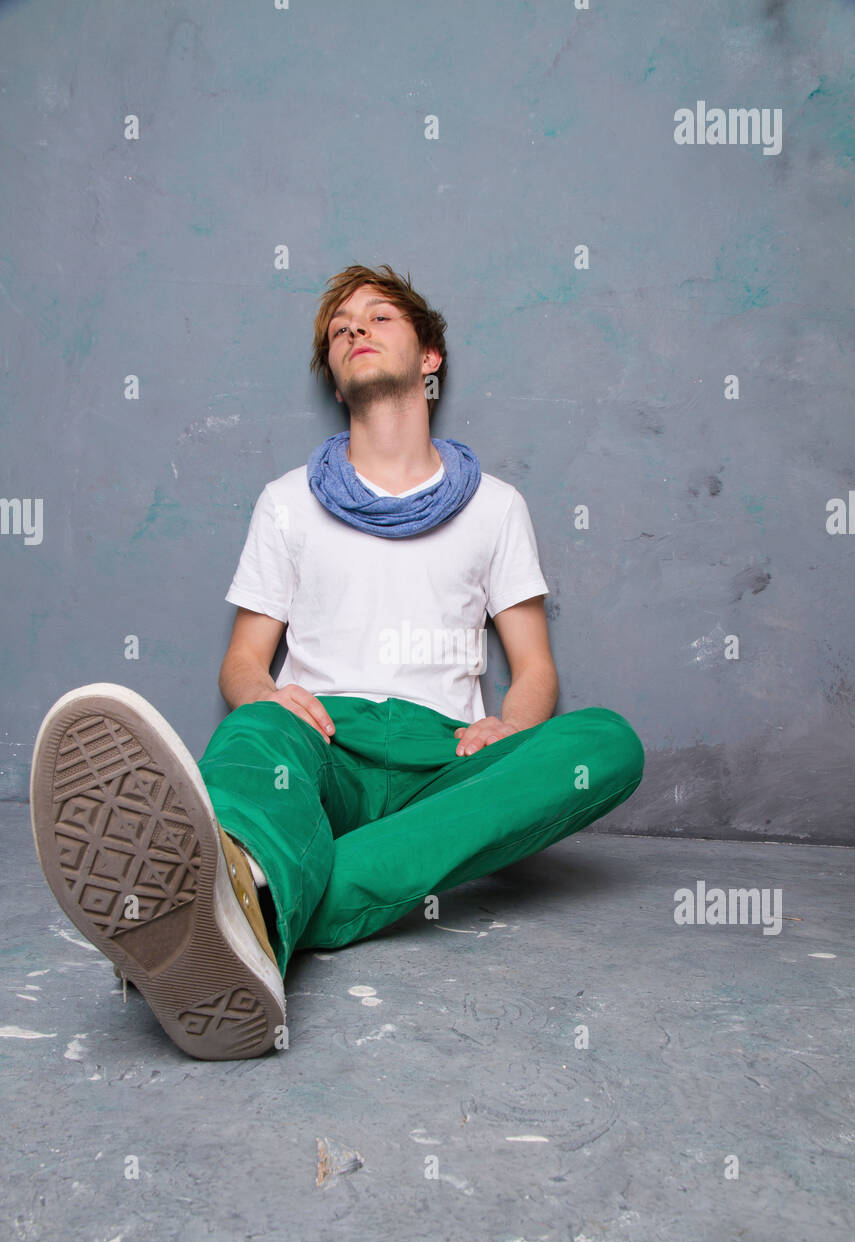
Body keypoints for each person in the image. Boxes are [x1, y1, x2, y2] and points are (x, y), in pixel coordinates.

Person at [30, 263, 645, 1062]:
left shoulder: (497, 507)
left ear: (431, 357)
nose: (355, 329)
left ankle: (241, 910)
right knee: (256, 725)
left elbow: (535, 669)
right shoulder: (287, 501)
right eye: (340, 327)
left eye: (379, 317)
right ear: (333, 367)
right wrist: (270, 696)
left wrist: (508, 727)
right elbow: (245, 660)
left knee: (607, 743)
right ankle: (245, 876)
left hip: (446, 762)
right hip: (321, 745)